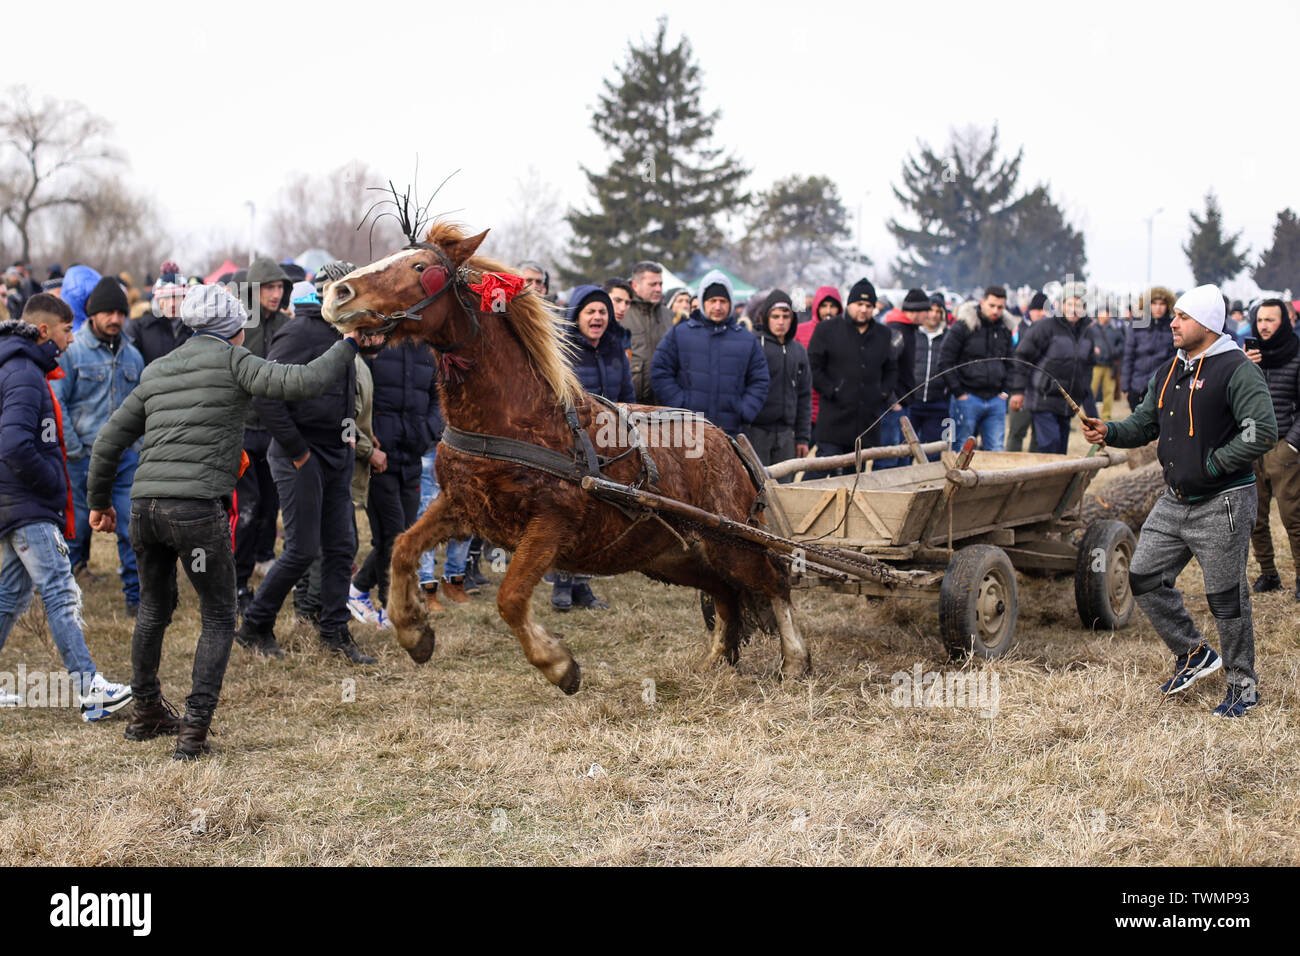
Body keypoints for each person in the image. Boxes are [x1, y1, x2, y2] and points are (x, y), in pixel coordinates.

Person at [86, 283, 364, 758]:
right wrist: (350, 342)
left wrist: (99, 502)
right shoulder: (236, 362)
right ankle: (193, 731)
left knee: (153, 611)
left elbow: (110, 439)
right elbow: (305, 381)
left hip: (146, 507)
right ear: (234, 329)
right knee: (218, 616)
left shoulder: (157, 370)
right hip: (195, 510)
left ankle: (146, 712)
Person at [1081, 285, 1276, 717]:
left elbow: (1261, 430)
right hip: (1174, 501)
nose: (1173, 322)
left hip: (1223, 500)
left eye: (1183, 317)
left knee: (1226, 597)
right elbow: (1144, 423)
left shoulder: (1237, 369)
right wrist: (1109, 431)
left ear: (1206, 324)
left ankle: (1242, 685)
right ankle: (1193, 653)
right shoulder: (1170, 370)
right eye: (1175, 316)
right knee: (1144, 575)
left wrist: (1213, 464)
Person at [0, 296, 132, 719]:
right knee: (61, 592)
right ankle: (89, 687)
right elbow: (14, 445)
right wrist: (53, 483)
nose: (71, 338)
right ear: (43, 331)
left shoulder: (20, 367)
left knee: (8, 596)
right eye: (66, 330)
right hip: (27, 506)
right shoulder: (23, 373)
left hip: (16, 503)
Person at [235, 270, 377, 664]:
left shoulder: (339, 335)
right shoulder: (299, 333)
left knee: (342, 545)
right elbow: (266, 396)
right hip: (300, 456)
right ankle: (254, 626)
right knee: (301, 549)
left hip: (335, 453)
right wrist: (298, 450)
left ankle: (334, 631)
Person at [51, 276, 144, 613]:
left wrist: (138, 447)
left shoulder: (134, 356)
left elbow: (143, 406)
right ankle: (65, 600)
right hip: (82, 458)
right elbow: (58, 401)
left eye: (120, 312)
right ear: (92, 314)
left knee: (133, 528)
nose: (115, 319)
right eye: (108, 312)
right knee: (73, 531)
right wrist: (73, 449)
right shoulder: (72, 353)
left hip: (124, 460)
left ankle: (137, 600)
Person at [552, 284, 634, 610]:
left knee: (596, 515)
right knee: (567, 512)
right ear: (578, 315)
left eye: (602, 311)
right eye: (591, 311)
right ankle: (560, 583)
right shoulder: (564, 349)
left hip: (607, 442)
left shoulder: (616, 349)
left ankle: (583, 586)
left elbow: (627, 395)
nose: (598, 317)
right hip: (570, 442)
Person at [349, 337, 441, 618]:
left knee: (408, 535)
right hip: (379, 459)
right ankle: (392, 610)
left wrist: (427, 433)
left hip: (413, 454)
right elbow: (358, 395)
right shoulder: (375, 344)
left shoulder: (429, 349)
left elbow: (438, 398)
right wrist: (369, 442)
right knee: (391, 536)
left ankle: (357, 590)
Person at [234, 258, 293, 612]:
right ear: (254, 290)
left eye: (279, 287)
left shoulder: (287, 325)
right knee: (247, 509)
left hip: (274, 431)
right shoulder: (238, 325)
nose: (276, 294)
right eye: (269, 287)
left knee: (271, 507)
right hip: (241, 430)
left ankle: (262, 560)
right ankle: (238, 583)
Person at [649, 269, 769, 438]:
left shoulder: (746, 340)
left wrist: (744, 410)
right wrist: (681, 406)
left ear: (731, 303)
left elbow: (760, 380)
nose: (718, 307)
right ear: (703, 302)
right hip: (688, 431)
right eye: (713, 301)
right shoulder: (680, 333)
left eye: (723, 301)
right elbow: (660, 372)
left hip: (730, 430)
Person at [807, 278, 897, 475]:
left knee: (854, 478)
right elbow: (813, 367)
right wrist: (831, 390)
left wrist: (882, 392)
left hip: (865, 422)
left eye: (868, 305)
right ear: (849, 304)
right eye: (859, 304)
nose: (863, 309)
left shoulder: (883, 334)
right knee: (821, 472)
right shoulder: (827, 330)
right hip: (833, 418)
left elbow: (891, 369)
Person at [1242, 299, 1300, 600]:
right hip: (1251, 446)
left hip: (1284, 447)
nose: (1263, 326)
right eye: (1260, 320)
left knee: (1293, 515)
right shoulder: (1247, 357)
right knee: (1254, 515)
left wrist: (1291, 444)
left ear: (1285, 322)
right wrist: (1245, 368)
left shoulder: (1296, 355)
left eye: (1271, 320)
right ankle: (1268, 573)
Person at [1008, 281, 1096, 455]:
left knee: (1061, 450)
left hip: (1068, 403)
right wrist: (1018, 391)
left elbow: (1086, 372)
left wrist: (1091, 413)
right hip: (1043, 398)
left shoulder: (1088, 333)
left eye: (1078, 305)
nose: (1073, 309)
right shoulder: (1045, 327)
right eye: (1069, 304)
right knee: (1050, 446)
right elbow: (1022, 357)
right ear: (1061, 305)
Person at [743, 289, 811, 476]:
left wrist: (803, 437)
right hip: (756, 431)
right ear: (765, 317)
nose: (780, 322)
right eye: (775, 316)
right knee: (756, 488)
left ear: (792, 319)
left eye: (785, 316)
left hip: (786, 435)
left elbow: (804, 396)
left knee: (784, 489)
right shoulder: (753, 345)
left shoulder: (798, 351)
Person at [938, 286, 1015, 451]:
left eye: (1000, 307)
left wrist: (1005, 392)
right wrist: (958, 392)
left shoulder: (1005, 330)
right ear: (982, 303)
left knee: (996, 450)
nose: (995, 311)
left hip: (996, 400)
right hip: (967, 397)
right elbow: (945, 361)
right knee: (961, 449)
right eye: (992, 305)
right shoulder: (964, 326)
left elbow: (1011, 363)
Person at [876, 289, 926, 468]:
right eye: (925, 311)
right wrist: (892, 401)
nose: (927, 315)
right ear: (916, 311)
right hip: (893, 406)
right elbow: (883, 367)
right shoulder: (897, 332)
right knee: (889, 457)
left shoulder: (909, 330)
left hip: (904, 402)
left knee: (904, 456)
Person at [125, 262, 193, 365]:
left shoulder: (195, 328)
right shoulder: (139, 327)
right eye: (166, 297)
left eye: (177, 297)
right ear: (157, 300)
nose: (172, 304)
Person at [622, 261, 672, 403]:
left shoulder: (669, 316)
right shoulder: (622, 315)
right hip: (631, 403)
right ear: (635, 286)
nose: (658, 289)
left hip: (664, 402)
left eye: (660, 284)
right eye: (652, 284)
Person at [1121, 285, 1176, 411]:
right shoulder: (1136, 325)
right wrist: (1126, 386)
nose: (1158, 308)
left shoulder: (1173, 327)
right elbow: (1129, 356)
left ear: (1167, 305)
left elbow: (1175, 358)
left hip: (1162, 384)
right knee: (1139, 425)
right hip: (1137, 385)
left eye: (1162, 304)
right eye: (1154, 303)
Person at [910, 292, 951, 454]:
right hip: (913, 401)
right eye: (931, 310)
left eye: (938, 311)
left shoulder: (948, 336)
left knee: (933, 451)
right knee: (905, 450)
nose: (934, 315)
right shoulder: (914, 333)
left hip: (938, 402)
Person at [796, 286, 843, 429]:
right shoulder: (800, 331)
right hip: (805, 409)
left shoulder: (846, 333)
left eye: (832, 306)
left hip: (835, 409)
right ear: (816, 307)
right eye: (824, 306)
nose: (828, 311)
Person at [1006, 291, 1046, 452]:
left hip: (1042, 390)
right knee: (1016, 432)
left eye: (1044, 310)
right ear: (1030, 310)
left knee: (1039, 436)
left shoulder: (1049, 330)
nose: (1042, 313)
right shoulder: (1018, 331)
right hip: (1021, 388)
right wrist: (1015, 388)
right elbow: (1012, 358)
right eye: (1038, 309)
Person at [1088, 304, 1125, 421]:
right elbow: (1085, 342)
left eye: (1107, 313)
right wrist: (1092, 349)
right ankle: (1090, 414)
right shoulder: (1092, 329)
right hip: (1095, 365)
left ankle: (1106, 416)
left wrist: (1114, 351)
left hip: (1110, 365)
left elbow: (1122, 343)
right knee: (1091, 390)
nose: (1106, 316)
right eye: (1103, 313)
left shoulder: (1115, 329)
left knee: (1109, 392)